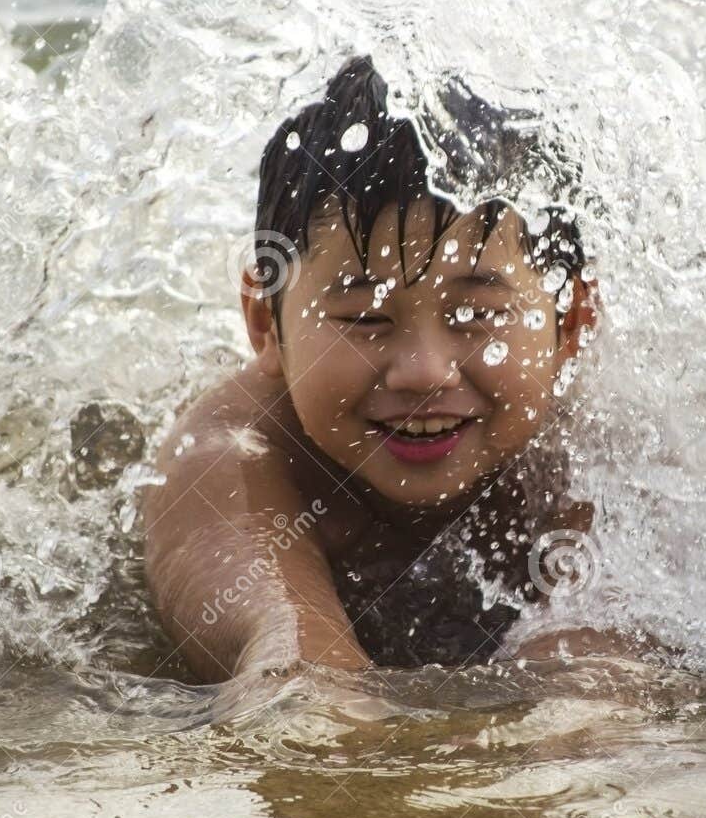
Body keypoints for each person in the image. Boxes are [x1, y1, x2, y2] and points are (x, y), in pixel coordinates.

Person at [144, 55, 601, 693]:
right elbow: (296, 676)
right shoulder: (227, 460)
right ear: (265, 322)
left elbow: (606, 672)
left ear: (570, 323)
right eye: (366, 318)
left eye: (476, 315)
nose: (424, 372)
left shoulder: (606, 457)